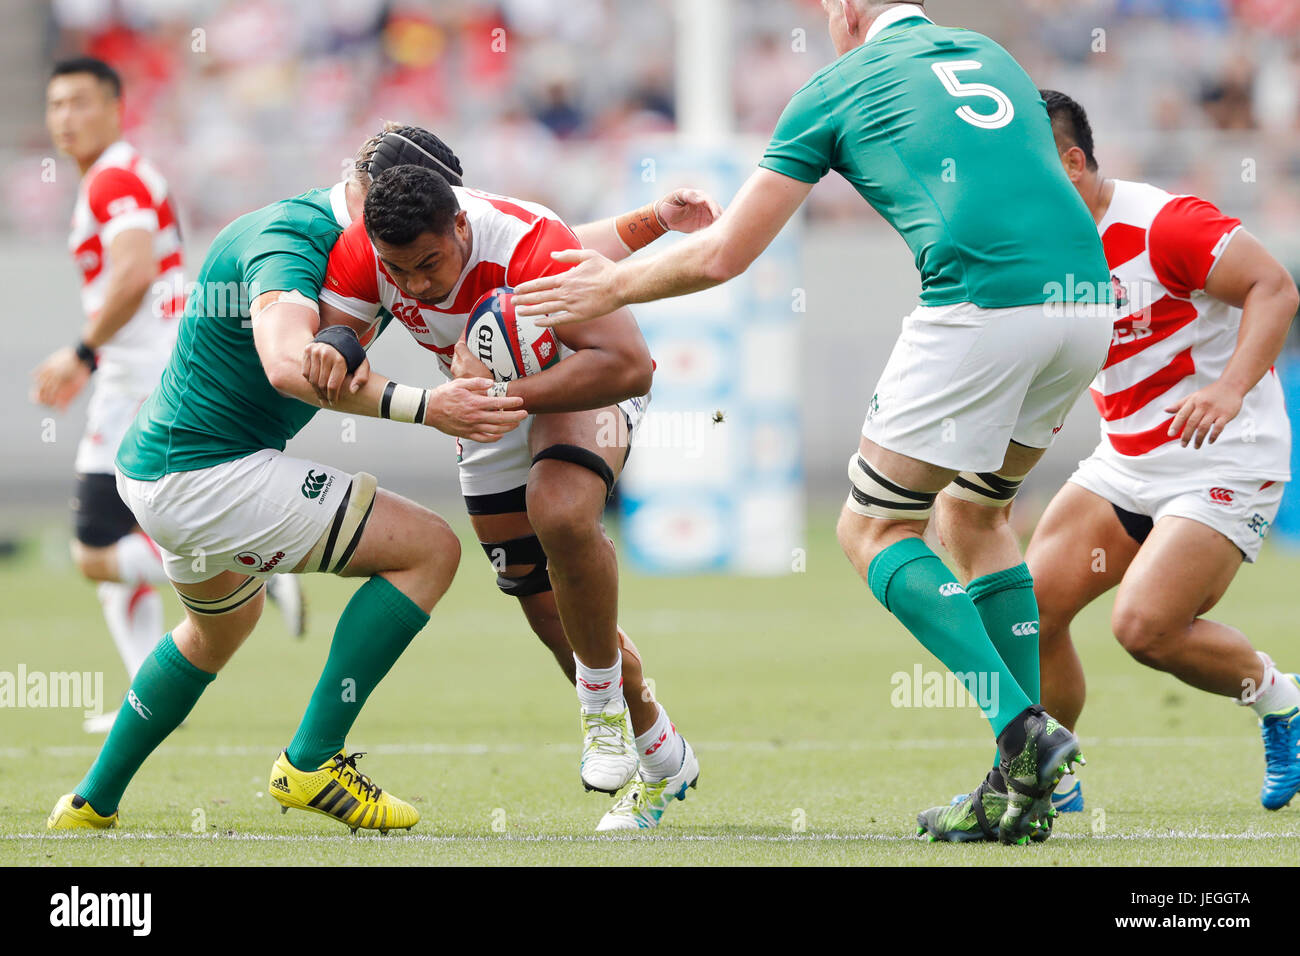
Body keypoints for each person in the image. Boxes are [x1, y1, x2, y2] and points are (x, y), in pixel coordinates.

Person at [512, 1, 1112, 843]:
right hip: (1086, 298)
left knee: (872, 527)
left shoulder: (838, 84)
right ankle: (1018, 793)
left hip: (982, 302)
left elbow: (724, 252)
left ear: (847, 10)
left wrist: (611, 285)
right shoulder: (989, 53)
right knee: (977, 515)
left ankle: (1024, 730)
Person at [308, 159, 711, 830]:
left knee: (559, 510)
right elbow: (339, 326)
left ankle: (601, 710)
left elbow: (627, 363)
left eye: (429, 265)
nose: (415, 284)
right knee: (545, 607)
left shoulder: (529, 247)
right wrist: (330, 344)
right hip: (483, 405)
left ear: (462, 224)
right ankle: (663, 755)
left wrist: (504, 394)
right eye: (398, 272)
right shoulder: (367, 246)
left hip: (579, 381)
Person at [1028, 90, 1300, 813]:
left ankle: (1283, 701)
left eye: (1029, 170)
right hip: (1126, 464)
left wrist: (1231, 389)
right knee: (1026, 611)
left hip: (1226, 459)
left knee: (1144, 628)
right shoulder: (1041, 244)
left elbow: (1275, 288)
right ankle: (1048, 777)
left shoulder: (1163, 224)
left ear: (1075, 163)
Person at [33, 59, 304, 740]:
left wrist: (82, 352)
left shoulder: (115, 179)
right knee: (115, 550)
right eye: (55, 104)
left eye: (80, 102)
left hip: (139, 379)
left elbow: (134, 273)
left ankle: (251, 565)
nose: (66, 116)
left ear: (116, 105)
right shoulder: (116, 176)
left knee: (94, 547)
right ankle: (144, 694)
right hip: (150, 371)